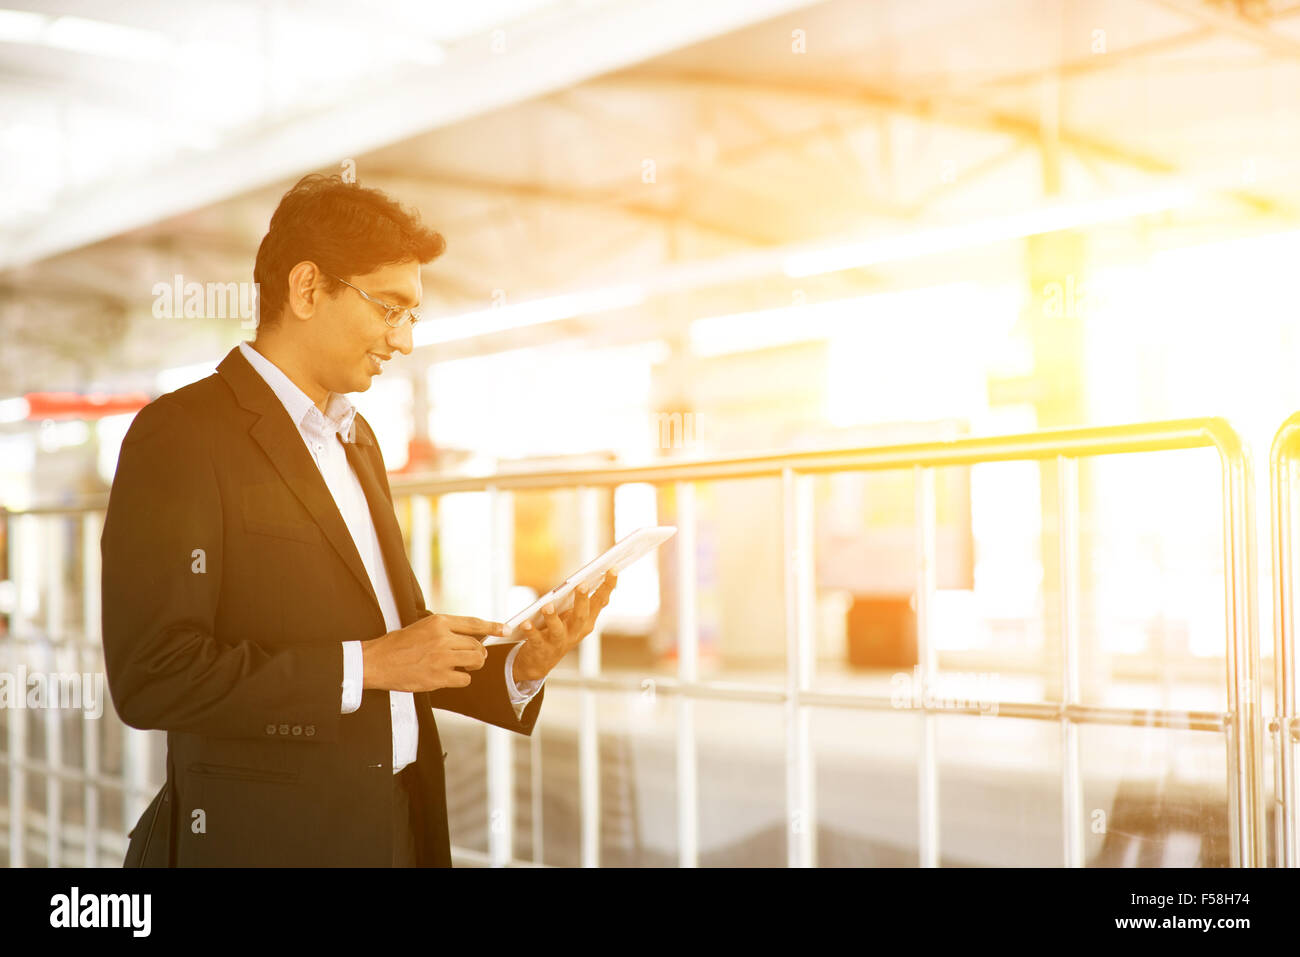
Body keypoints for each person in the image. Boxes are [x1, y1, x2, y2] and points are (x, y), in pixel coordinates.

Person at [101, 173, 615, 866]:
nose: (401, 341)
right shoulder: (183, 435)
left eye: (411, 315)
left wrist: (519, 666)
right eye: (389, 308)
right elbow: (154, 673)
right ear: (308, 288)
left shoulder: (358, 437)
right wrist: (367, 664)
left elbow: (395, 641)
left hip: (397, 822)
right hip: (271, 843)